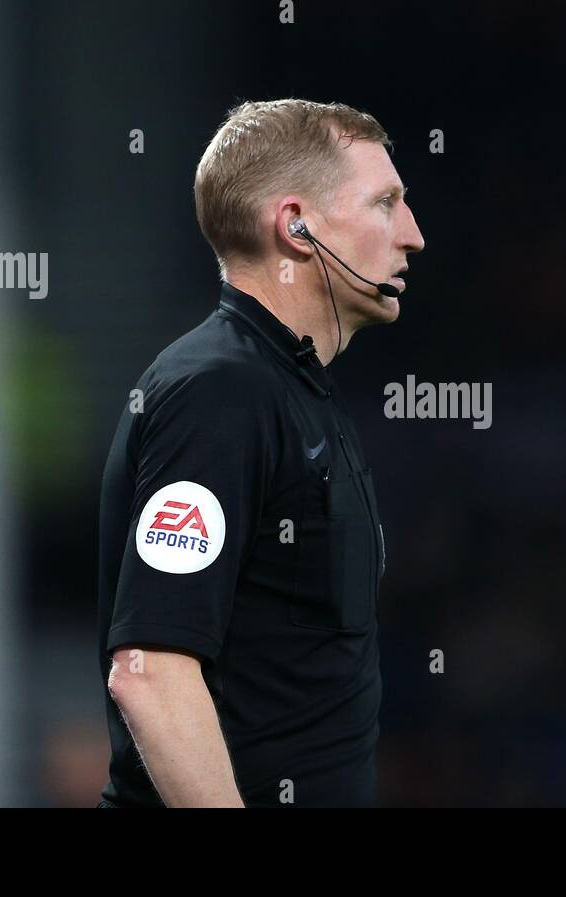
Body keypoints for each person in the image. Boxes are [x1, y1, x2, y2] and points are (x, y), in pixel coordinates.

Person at [95, 98, 424, 807]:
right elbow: (150, 670)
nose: (413, 235)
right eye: (386, 203)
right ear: (296, 226)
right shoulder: (219, 391)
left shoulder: (296, 392)